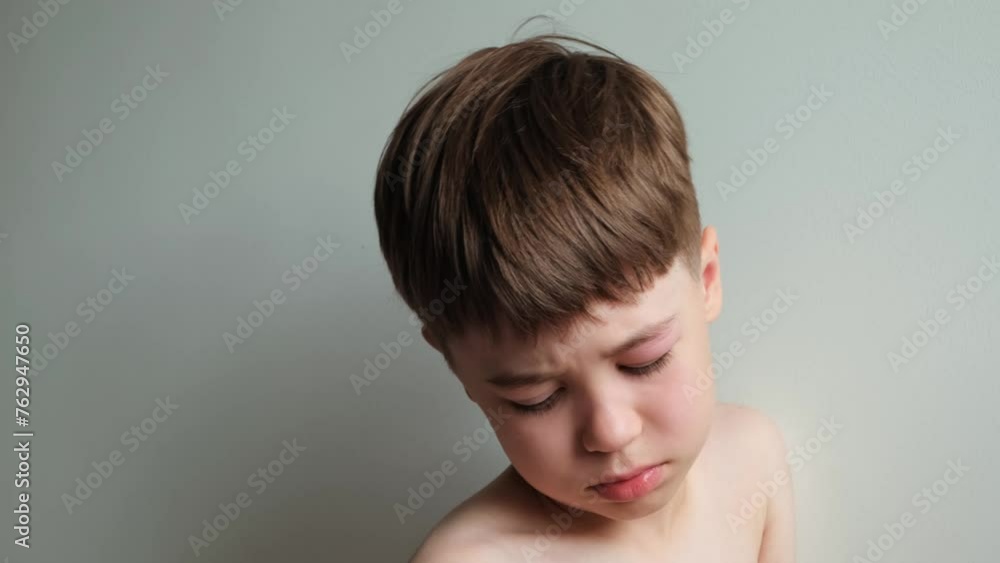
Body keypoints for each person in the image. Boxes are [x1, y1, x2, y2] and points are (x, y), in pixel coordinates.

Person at [372, 30, 796, 562]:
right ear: (455, 363)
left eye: (644, 361)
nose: (611, 432)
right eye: (537, 399)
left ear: (707, 279)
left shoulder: (752, 459)